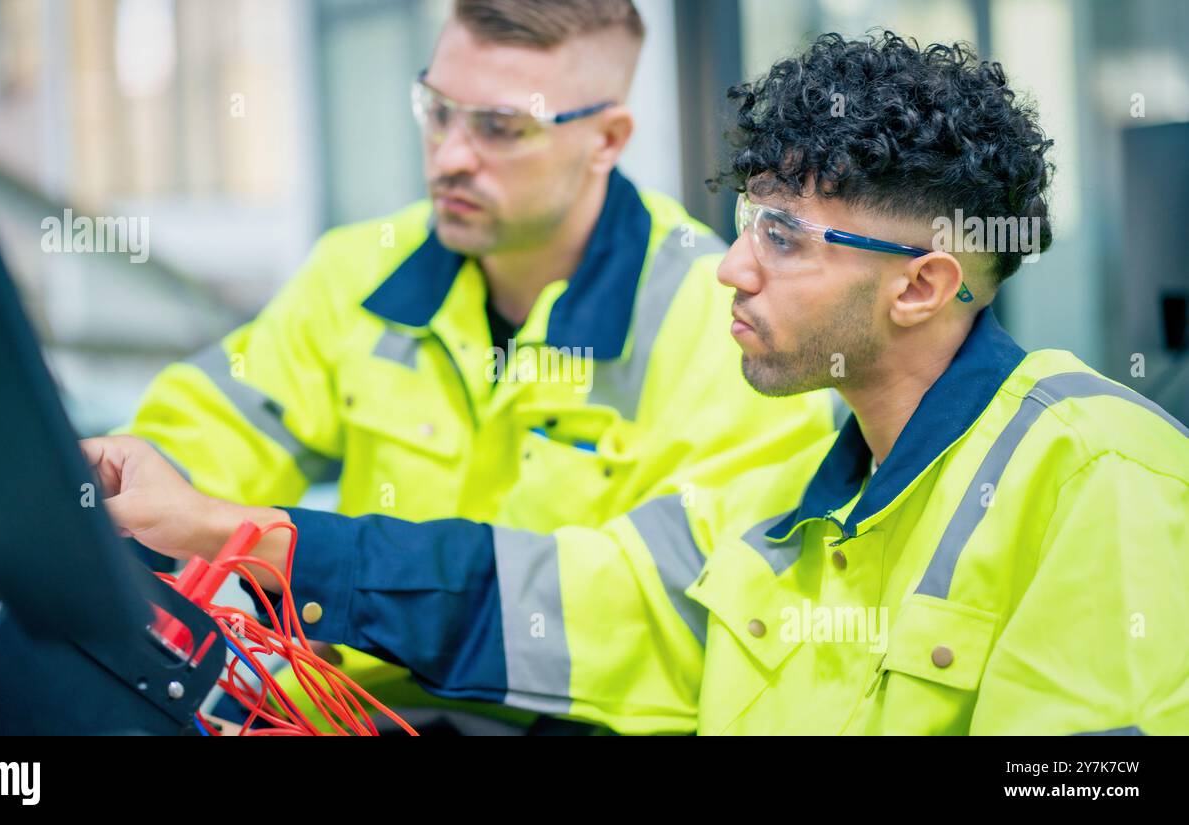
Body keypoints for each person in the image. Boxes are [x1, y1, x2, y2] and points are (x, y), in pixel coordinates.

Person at [91, 31, 1189, 734]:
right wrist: (246, 530)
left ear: (920, 289)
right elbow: (542, 594)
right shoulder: (784, 501)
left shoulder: (1099, 477)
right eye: (747, 219)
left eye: (782, 237)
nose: (732, 264)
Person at [117, 0, 833, 732]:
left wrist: (312, 555)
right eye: (437, 110)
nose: (450, 155)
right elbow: (209, 432)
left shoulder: (727, 326)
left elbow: (679, 618)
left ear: (606, 138)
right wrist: (116, 487)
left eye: (500, 127)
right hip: (354, 711)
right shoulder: (359, 271)